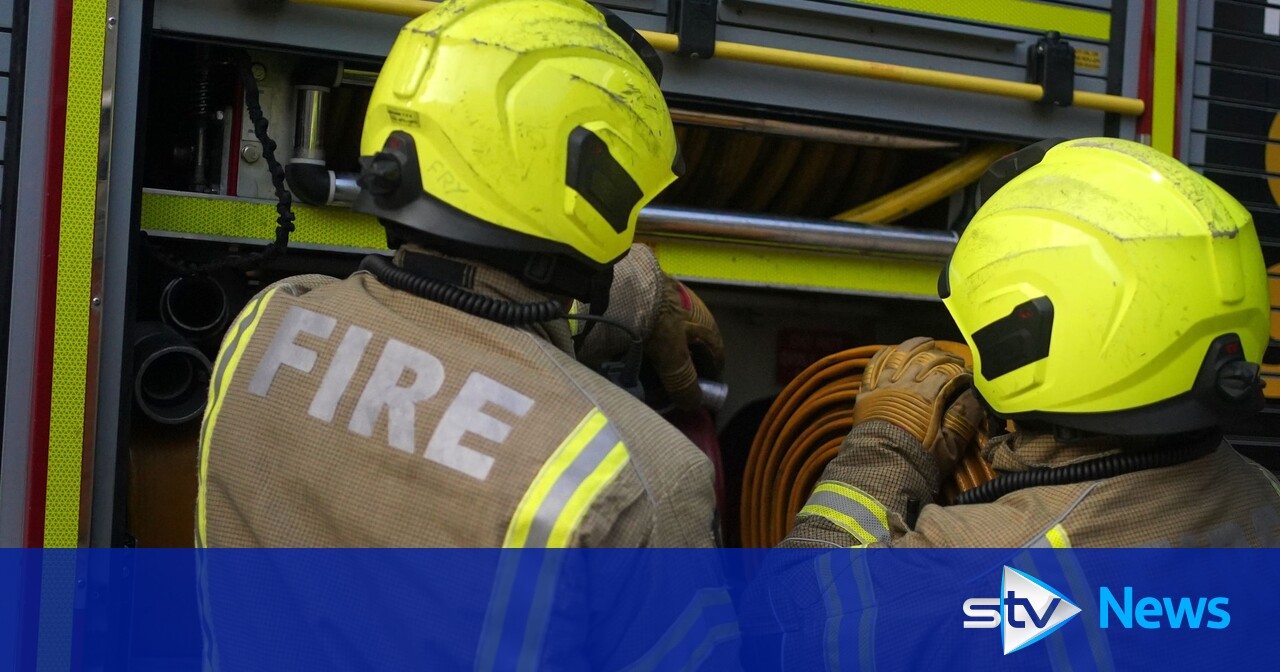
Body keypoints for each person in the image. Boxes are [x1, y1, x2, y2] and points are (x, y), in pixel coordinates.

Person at [194, 0, 734, 668]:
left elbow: (449, 342)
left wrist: (626, 295)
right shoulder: (647, 478)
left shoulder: (267, 328)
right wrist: (872, 463)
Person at [781, 137, 1280, 551]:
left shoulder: (991, 556)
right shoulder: (1263, 492)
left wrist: (887, 446)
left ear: (1028, 337)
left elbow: (788, 623)